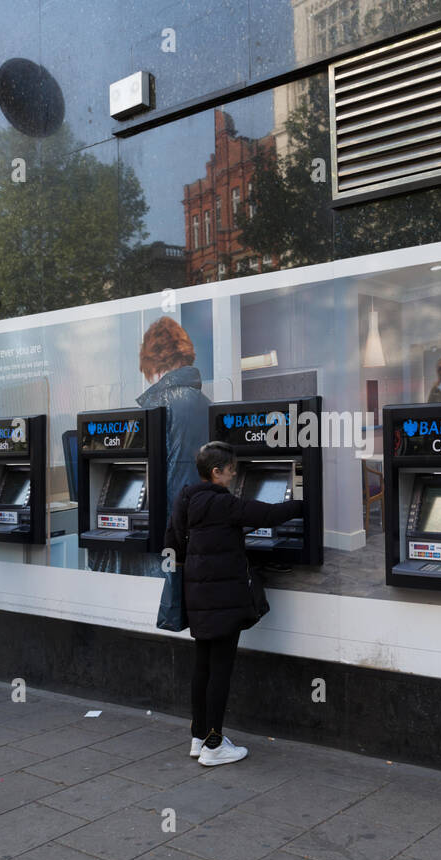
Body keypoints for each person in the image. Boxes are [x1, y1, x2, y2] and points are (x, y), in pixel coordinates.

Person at [165, 441, 304, 766]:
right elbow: (269, 514)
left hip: (197, 597)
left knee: (203, 667)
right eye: (231, 470)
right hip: (223, 600)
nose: (235, 474)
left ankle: (198, 737)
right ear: (216, 472)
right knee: (220, 672)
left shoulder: (185, 499)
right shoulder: (222, 504)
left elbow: (172, 544)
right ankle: (214, 745)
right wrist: (305, 504)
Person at [92, 316, 210, 576]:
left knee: (163, 607)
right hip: (199, 529)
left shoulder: (156, 406)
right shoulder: (207, 404)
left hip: (161, 536)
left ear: (153, 364)